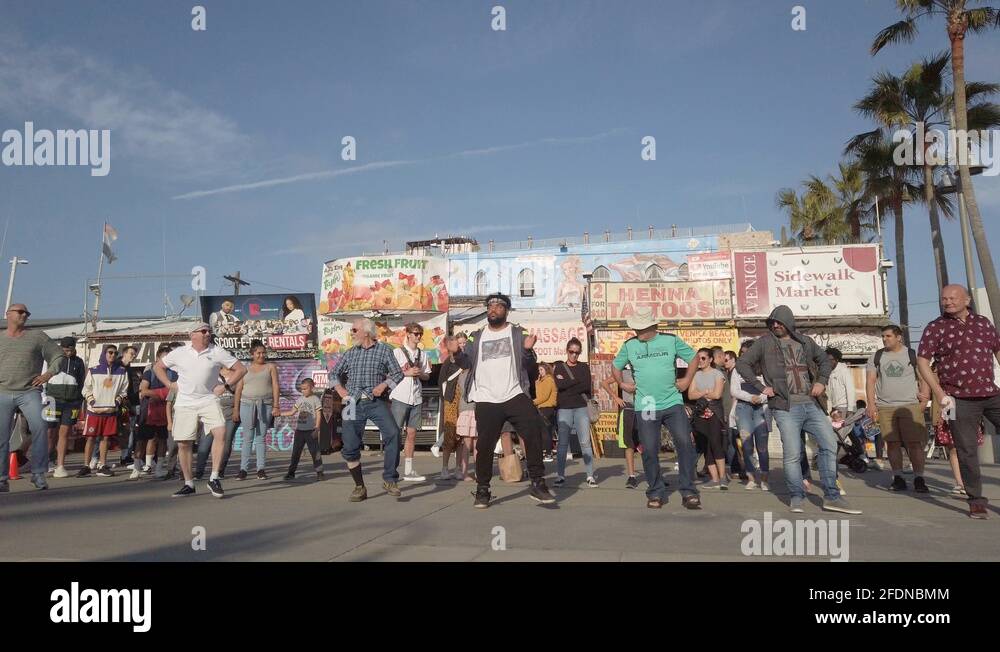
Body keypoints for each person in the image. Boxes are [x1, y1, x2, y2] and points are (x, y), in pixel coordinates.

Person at [735, 305, 861, 515]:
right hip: (785, 407)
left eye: (779, 321)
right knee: (793, 453)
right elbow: (742, 364)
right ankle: (796, 496)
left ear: (789, 322)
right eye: (772, 322)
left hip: (811, 404)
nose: (775, 325)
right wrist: (762, 388)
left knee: (830, 444)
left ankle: (832, 496)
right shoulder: (764, 343)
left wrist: (821, 381)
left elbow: (824, 361)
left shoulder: (805, 341)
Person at [452, 293, 556, 508]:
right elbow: (466, 361)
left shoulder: (518, 332)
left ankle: (538, 483)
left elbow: (530, 364)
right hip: (486, 398)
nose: (493, 309)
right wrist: (456, 354)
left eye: (498, 306)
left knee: (532, 432)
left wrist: (527, 351)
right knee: (485, 445)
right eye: (490, 306)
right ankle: (483, 490)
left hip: (515, 394)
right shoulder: (476, 336)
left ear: (506, 310)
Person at [916, 284, 1000, 519]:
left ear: (967, 300)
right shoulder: (936, 327)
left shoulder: (983, 322)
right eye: (944, 298)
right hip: (956, 399)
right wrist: (940, 394)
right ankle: (976, 500)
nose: (948, 301)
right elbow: (923, 361)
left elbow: (997, 350)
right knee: (965, 450)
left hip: (991, 393)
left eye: (953, 297)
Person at [611, 309, 701, 510]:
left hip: (672, 402)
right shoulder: (629, 345)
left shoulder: (671, 340)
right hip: (647, 404)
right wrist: (622, 384)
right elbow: (615, 367)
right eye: (635, 328)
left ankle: (688, 490)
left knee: (685, 443)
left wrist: (687, 379)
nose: (637, 331)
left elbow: (694, 358)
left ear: (652, 327)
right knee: (649, 448)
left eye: (640, 328)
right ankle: (656, 492)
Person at [153, 322, 247, 498]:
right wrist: (168, 384)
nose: (207, 333)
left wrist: (225, 386)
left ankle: (214, 478)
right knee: (183, 443)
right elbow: (158, 367)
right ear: (192, 335)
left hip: (208, 400)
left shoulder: (216, 351)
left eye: (209, 331)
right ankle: (189, 483)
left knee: (220, 432)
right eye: (203, 331)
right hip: (185, 402)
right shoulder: (180, 353)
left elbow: (241, 369)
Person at [329, 317, 406, 502]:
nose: (352, 333)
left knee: (393, 433)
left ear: (366, 331)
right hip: (351, 403)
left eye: (354, 330)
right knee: (349, 445)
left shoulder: (384, 351)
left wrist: (384, 385)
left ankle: (389, 479)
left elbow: (398, 374)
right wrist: (339, 389)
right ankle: (359, 487)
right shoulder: (350, 353)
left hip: (375, 401)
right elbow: (333, 373)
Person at [0, 304, 64, 491]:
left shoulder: (37, 337)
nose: (24, 315)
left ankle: (38, 473)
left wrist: (48, 374)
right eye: (19, 312)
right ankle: (2, 479)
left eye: (26, 312)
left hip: (29, 391)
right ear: (8, 314)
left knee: (40, 426)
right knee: (1, 436)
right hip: (2, 391)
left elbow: (58, 355)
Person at [865, 324, 930, 493]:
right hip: (885, 407)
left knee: (915, 444)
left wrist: (924, 400)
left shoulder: (912, 354)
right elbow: (870, 381)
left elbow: (924, 379)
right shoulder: (876, 356)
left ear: (899, 337)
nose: (885, 339)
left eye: (888, 336)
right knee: (892, 443)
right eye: (883, 336)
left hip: (910, 406)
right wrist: (871, 405)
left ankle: (919, 478)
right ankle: (898, 477)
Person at [389, 323, 432, 482]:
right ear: (407, 334)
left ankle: (409, 470)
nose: (418, 336)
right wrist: (407, 373)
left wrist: (420, 374)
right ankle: (391, 470)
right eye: (415, 333)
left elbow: (428, 376)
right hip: (400, 396)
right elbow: (389, 373)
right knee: (395, 433)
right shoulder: (397, 352)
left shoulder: (423, 354)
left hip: (416, 396)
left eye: (420, 333)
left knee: (412, 433)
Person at [78, 345, 129, 477]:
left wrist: (117, 401)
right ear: (104, 354)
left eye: (114, 353)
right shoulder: (93, 370)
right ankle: (86, 466)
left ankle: (102, 465)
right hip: (94, 411)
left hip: (110, 411)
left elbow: (124, 390)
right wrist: (92, 402)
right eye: (110, 352)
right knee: (90, 438)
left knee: (106, 438)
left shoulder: (122, 371)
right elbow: (86, 389)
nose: (112, 355)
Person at [233, 340, 279, 480]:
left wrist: (276, 405)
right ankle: (243, 469)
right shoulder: (244, 369)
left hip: (265, 404)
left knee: (261, 437)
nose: (261, 355)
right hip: (247, 404)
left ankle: (261, 469)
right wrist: (236, 409)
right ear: (252, 354)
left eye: (263, 353)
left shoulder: (270, 367)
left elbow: (276, 386)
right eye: (258, 353)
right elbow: (239, 389)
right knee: (248, 437)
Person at [553, 337, 597, 487]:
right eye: (571, 352)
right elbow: (560, 385)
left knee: (585, 442)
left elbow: (586, 387)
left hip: (581, 408)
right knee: (563, 443)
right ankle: (560, 475)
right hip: (564, 408)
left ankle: (590, 475)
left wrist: (569, 386)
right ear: (567, 351)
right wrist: (574, 383)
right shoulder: (559, 367)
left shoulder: (584, 367)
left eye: (577, 353)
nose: (574, 355)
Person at [687, 348, 729, 490]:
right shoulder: (695, 375)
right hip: (700, 414)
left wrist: (700, 393)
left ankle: (723, 477)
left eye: (703, 358)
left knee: (716, 444)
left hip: (714, 413)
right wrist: (705, 392)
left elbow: (717, 394)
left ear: (711, 359)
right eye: (698, 358)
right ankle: (714, 478)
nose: (700, 361)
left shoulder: (717, 373)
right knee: (705, 446)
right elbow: (690, 395)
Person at [45, 337, 87, 478]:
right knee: (50, 433)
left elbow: (82, 383)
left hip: (71, 402)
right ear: (60, 348)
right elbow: (43, 377)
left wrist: (79, 401)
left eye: (71, 350)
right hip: (51, 399)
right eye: (65, 350)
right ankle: (48, 460)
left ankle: (60, 465)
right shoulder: (52, 359)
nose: (68, 352)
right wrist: (44, 398)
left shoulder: (79, 362)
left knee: (64, 433)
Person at [132, 344, 175, 480]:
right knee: (142, 439)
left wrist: (156, 394)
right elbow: (143, 390)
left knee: (162, 439)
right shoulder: (149, 372)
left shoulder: (173, 373)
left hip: (165, 410)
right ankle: (137, 468)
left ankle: (159, 468)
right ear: (157, 358)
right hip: (148, 410)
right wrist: (161, 393)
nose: (166, 361)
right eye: (164, 358)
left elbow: (174, 391)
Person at [731, 340, 769, 491]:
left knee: (762, 446)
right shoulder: (737, 370)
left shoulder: (765, 369)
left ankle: (765, 478)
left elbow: (771, 389)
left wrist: (761, 398)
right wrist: (749, 398)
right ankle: (751, 477)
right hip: (743, 407)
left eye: (749, 353)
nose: (745, 356)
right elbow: (734, 391)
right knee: (747, 446)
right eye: (742, 353)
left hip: (761, 408)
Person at [601, 363, 640, 488]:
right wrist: (616, 398)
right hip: (628, 408)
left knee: (649, 443)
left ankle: (654, 475)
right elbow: (605, 383)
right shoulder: (624, 372)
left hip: (645, 408)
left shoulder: (644, 369)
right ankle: (631, 476)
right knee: (629, 444)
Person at [195, 368, 238, 479]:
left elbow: (239, 395)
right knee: (205, 443)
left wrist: (236, 410)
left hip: (229, 415)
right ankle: (199, 472)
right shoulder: (212, 374)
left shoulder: (237, 376)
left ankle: (219, 471)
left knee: (226, 444)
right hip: (211, 414)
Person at [279, 378, 324, 480]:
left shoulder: (315, 399)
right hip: (299, 431)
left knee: (315, 452)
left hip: (311, 431)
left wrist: (317, 429)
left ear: (312, 387)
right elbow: (292, 412)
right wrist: (280, 414)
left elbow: (319, 415)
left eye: (305, 389)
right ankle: (291, 473)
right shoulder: (300, 399)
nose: (303, 391)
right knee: (295, 453)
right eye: (302, 389)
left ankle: (319, 472)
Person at [437, 336, 464, 479]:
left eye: (462, 343)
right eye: (457, 344)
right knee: (449, 435)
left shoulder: (466, 361)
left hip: (464, 402)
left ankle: (458, 468)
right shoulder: (448, 362)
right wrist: (447, 401)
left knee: (461, 437)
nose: (460, 346)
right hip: (451, 401)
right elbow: (441, 383)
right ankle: (445, 468)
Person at [534, 362, 558, 463]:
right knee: (545, 431)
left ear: (546, 370)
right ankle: (546, 452)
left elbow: (544, 396)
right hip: (542, 407)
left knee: (545, 432)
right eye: (539, 370)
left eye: (541, 370)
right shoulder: (541, 380)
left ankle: (548, 453)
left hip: (547, 408)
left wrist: (533, 402)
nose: (540, 372)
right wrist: (537, 381)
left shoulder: (549, 380)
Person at [825, 347, 857, 416]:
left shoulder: (844, 371)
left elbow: (850, 390)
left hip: (846, 407)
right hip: (835, 407)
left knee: (844, 427)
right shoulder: (829, 373)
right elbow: (830, 392)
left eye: (831, 360)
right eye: (827, 360)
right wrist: (831, 408)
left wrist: (850, 409)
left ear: (836, 359)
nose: (829, 362)